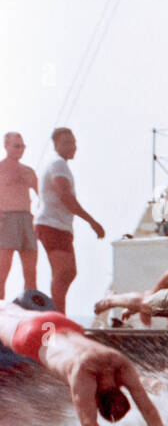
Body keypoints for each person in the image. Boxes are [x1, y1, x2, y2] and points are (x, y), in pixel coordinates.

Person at [0, 296, 166, 426]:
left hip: (55, 323)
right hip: (30, 336)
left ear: (120, 389)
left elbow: (149, 411)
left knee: (10, 312)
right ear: (97, 400)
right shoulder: (83, 372)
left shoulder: (117, 361)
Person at [36, 128, 106, 313]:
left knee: (68, 272)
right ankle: (57, 316)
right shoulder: (58, 164)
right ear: (56, 145)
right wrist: (92, 222)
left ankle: (57, 312)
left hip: (59, 226)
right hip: (51, 225)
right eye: (67, 142)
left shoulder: (60, 164)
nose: (72, 146)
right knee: (63, 272)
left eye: (73, 142)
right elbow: (65, 196)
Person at [0, 132, 39, 298]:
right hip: (6, 219)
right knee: (2, 272)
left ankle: (30, 311)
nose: (20, 149)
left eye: (22, 146)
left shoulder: (28, 171)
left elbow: (42, 195)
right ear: (6, 146)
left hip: (26, 220)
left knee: (31, 273)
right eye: (16, 145)